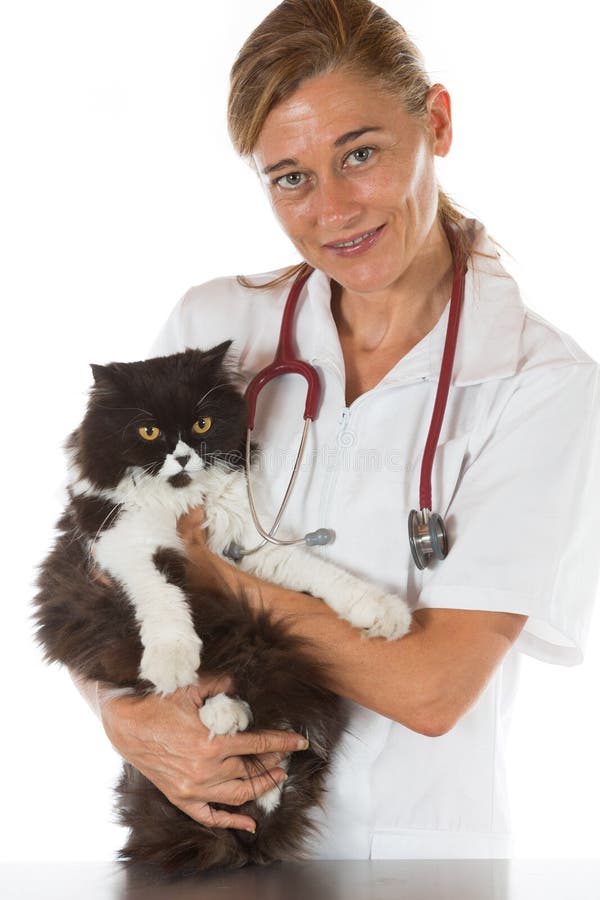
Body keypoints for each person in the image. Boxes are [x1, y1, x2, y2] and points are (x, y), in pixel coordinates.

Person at [71, 0, 600, 860]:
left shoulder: (538, 382)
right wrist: (123, 718)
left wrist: (212, 572)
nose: (335, 210)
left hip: (414, 859)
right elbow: (91, 565)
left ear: (436, 121)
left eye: (360, 154)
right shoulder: (215, 331)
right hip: (204, 848)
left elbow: (433, 686)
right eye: (291, 177)